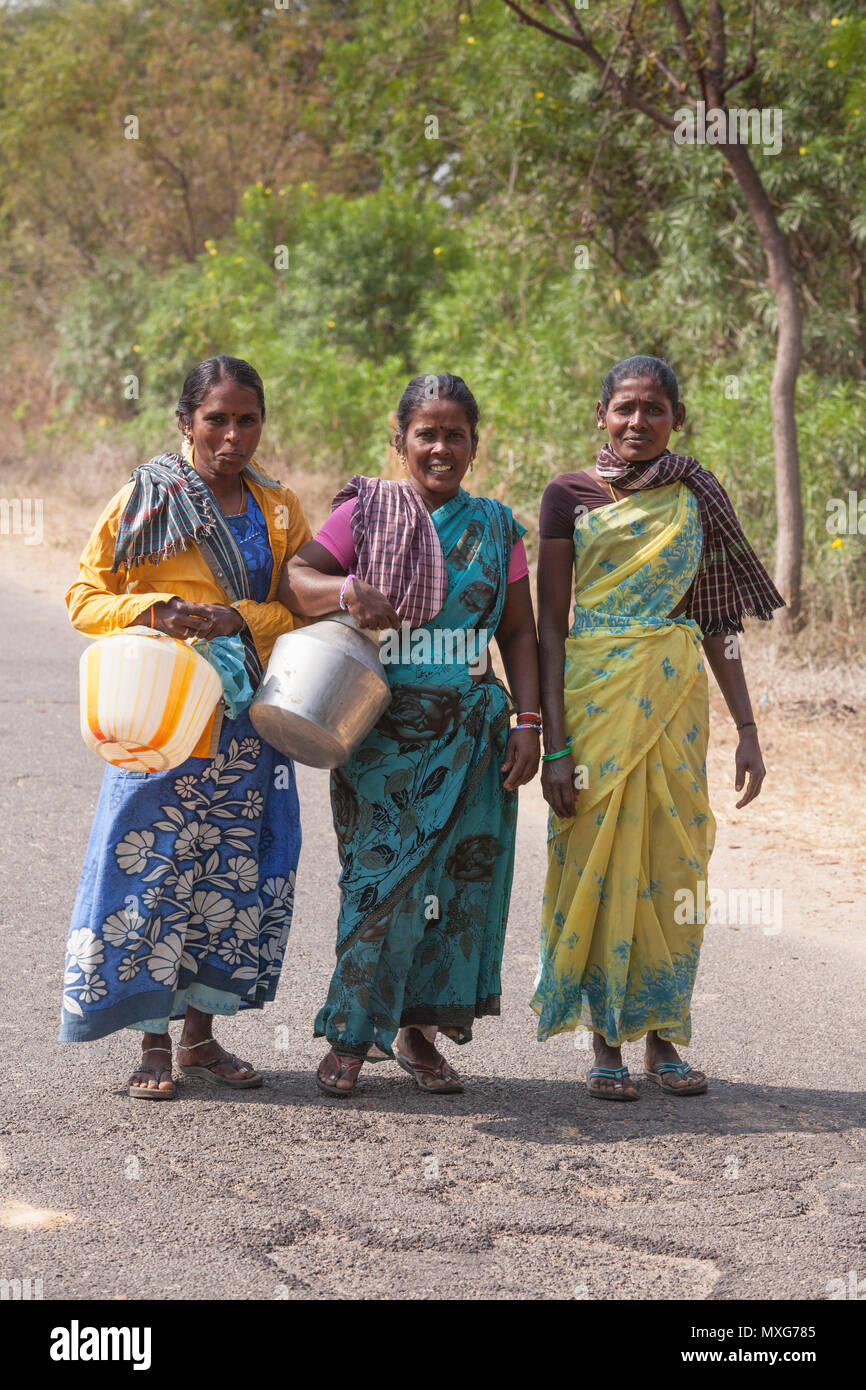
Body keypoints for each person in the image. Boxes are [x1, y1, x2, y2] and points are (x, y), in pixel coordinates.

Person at [279, 373, 540, 1096]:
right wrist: (342, 592)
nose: (441, 446)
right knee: (379, 883)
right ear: (400, 442)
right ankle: (350, 1034)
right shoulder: (368, 513)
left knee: (456, 887)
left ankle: (418, 1033)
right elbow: (295, 579)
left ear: (474, 446)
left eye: (455, 433)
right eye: (426, 432)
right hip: (381, 733)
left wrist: (528, 720)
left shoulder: (496, 527)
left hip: (475, 736)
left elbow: (518, 632)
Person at [61, 355, 311, 1098]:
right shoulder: (144, 499)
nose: (232, 436)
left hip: (247, 729)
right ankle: (151, 1043)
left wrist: (239, 618)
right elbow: (82, 595)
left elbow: (301, 608)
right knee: (152, 871)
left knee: (235, 881)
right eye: (216, 420)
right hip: (159, 720)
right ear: (185, 423)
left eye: (247, 420)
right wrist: (156, 612)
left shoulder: (280, 509)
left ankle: (202, 1040)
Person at [534, 355, 784, 1099]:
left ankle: (665, 1039)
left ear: (677, 417)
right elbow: (551, 627)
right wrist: (554, 743)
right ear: (602, 415)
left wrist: (748, 726)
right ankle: (605, 1041)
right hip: (594, 695)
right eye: (625, 409)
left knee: (674, 860)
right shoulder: (568, 496)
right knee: (597, 857)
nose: (637, 423)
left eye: (653, 410)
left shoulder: (696, 495)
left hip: (673, 703)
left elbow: (717, 623)